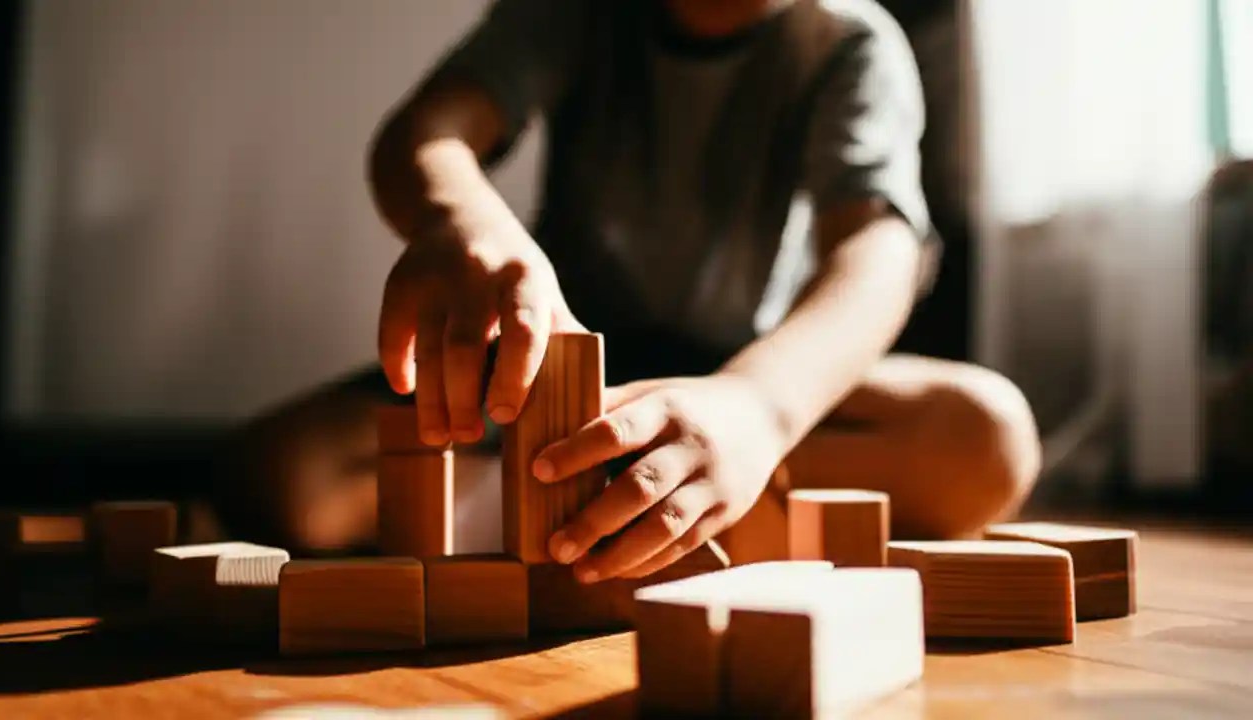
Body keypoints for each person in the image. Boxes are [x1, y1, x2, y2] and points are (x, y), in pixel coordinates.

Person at [216, 0, 1041, 581]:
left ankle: (596, 515)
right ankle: (628, 517)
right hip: (551, 387)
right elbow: (424, 135)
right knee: (285, 473)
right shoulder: (577, 15)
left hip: (730, 375)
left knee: (985, 439)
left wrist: (759, 406)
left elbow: (876, 249)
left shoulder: (851, 41)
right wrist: (464, 223)